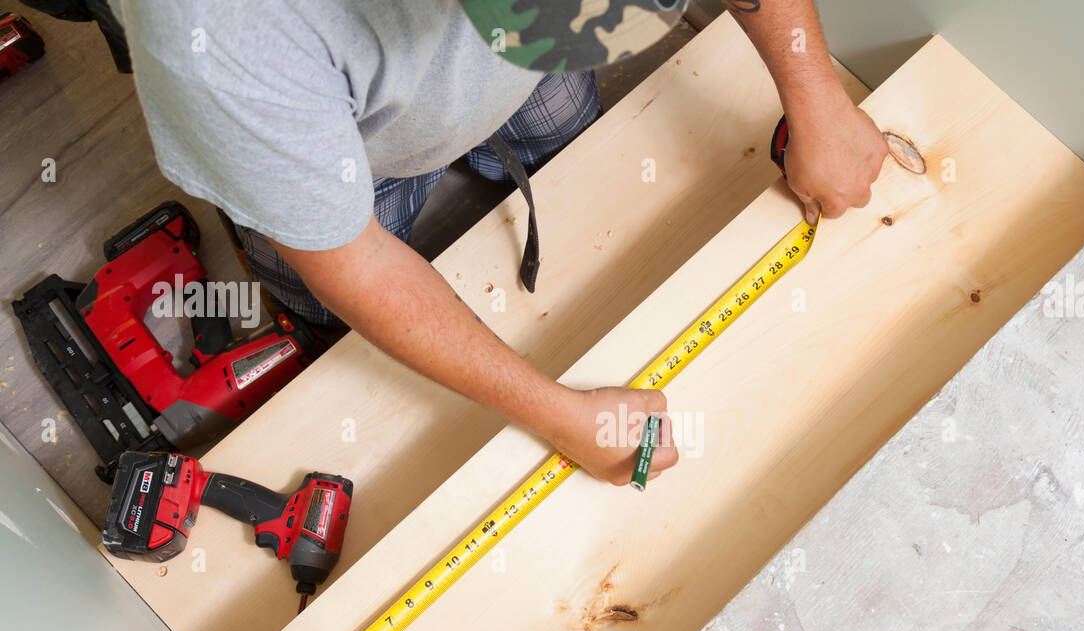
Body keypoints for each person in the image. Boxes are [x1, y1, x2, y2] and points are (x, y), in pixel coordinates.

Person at [111, 0, 889, 484]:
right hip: (352, 149)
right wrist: (559, 417)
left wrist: (812, 90)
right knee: (331, 299)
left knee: (578, 144)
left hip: (488, 69)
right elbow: (356, 262)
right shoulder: (220, 39)